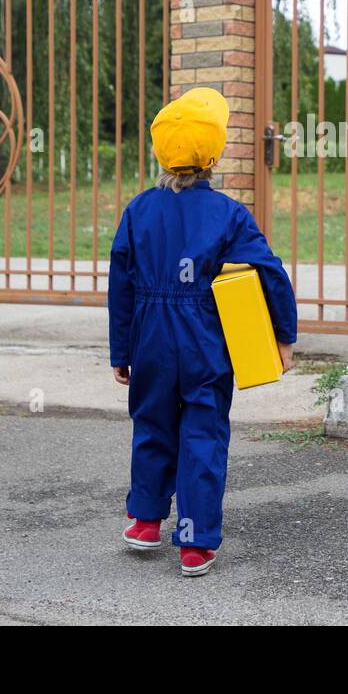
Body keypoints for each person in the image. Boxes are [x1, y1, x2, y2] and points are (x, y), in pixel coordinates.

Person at [108, 87, 297, 577]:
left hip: (149, 336)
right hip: (203, 339)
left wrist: (120, 350)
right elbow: (270, 272)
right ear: (214, 154)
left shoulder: (138, 211)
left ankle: (146, 520)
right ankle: (194, 541)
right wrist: (284, 335)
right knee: (203, 432)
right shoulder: (228, 214)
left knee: (151, 424)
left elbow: (121, 283)